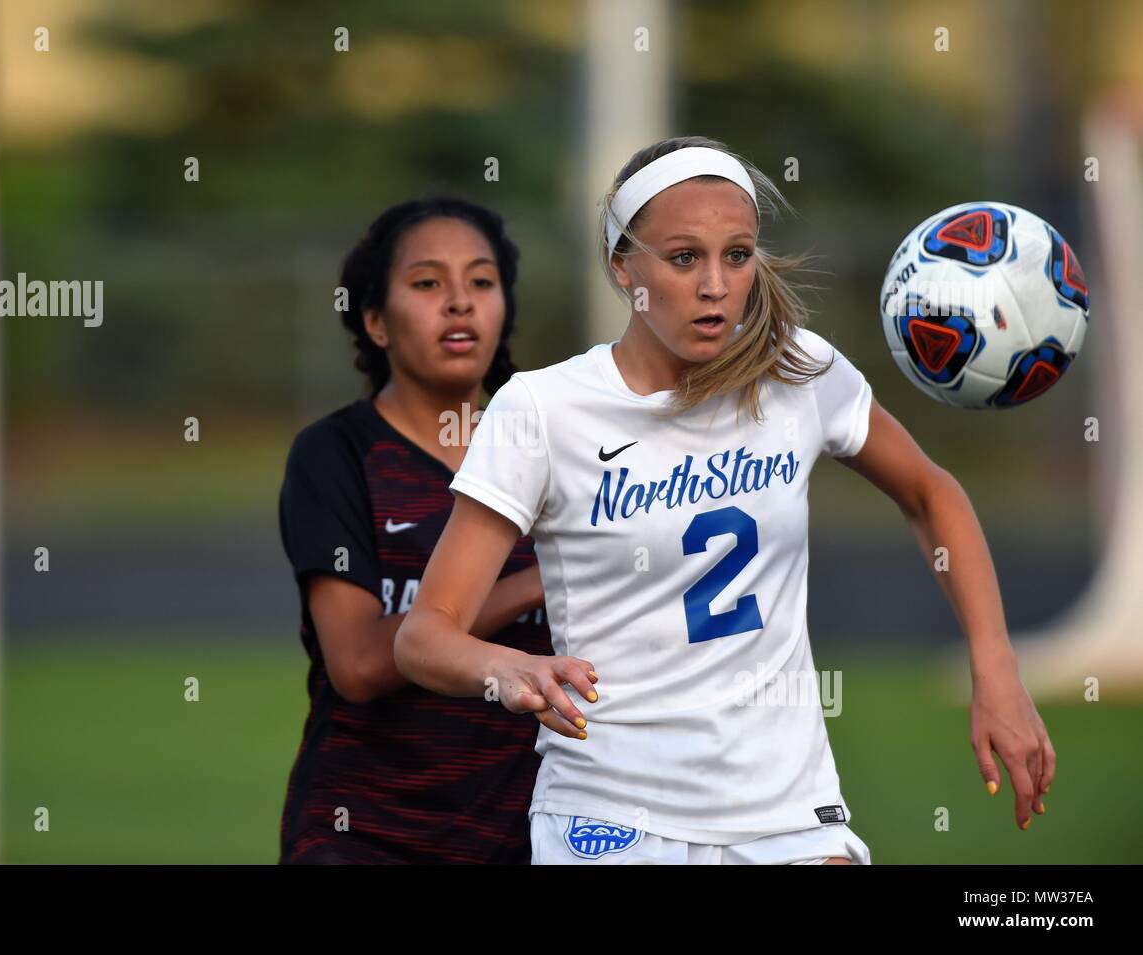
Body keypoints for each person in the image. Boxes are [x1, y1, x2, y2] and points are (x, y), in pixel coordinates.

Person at [395, 137, 1055, 865]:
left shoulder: (799, 370)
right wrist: (506, 668)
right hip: (611, 815)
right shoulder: (542, 410)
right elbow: (426, 635)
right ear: (621, 266)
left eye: (737, 255)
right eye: (684, 258)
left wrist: (996, 670)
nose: (715, 284)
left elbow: (931, 493)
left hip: (789, 814)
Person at [278, 197, 551, 863]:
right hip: (366, 834)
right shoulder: (337, 454)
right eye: (427, 283)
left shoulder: (551, 447)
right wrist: (537, 581)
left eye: (481, 281)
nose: (459, 302)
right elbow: (358, 664)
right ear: (375, 321)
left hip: (522, 836)